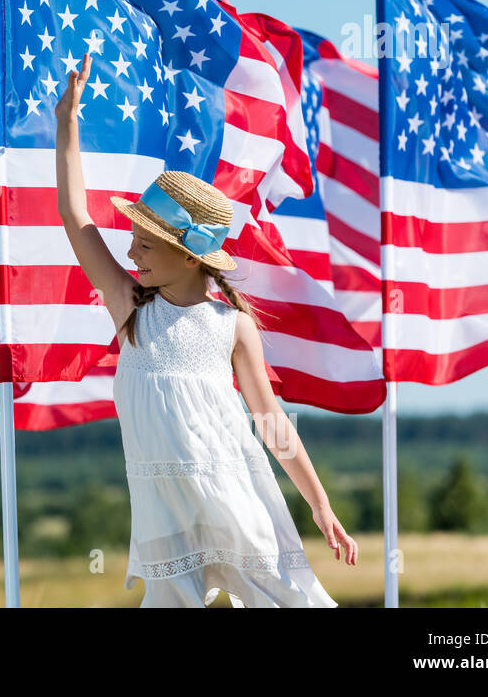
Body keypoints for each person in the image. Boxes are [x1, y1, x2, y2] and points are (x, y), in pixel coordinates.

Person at [54, 52, 357, 607]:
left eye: (145, 244)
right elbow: (76, 217)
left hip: (232, 489)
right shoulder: (130, 307)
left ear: (191, 257)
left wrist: (319, 503)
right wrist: (66, 125)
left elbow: (270, 420)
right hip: (162, 505)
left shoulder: (232, 324)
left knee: (285, 598)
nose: (130, 251)